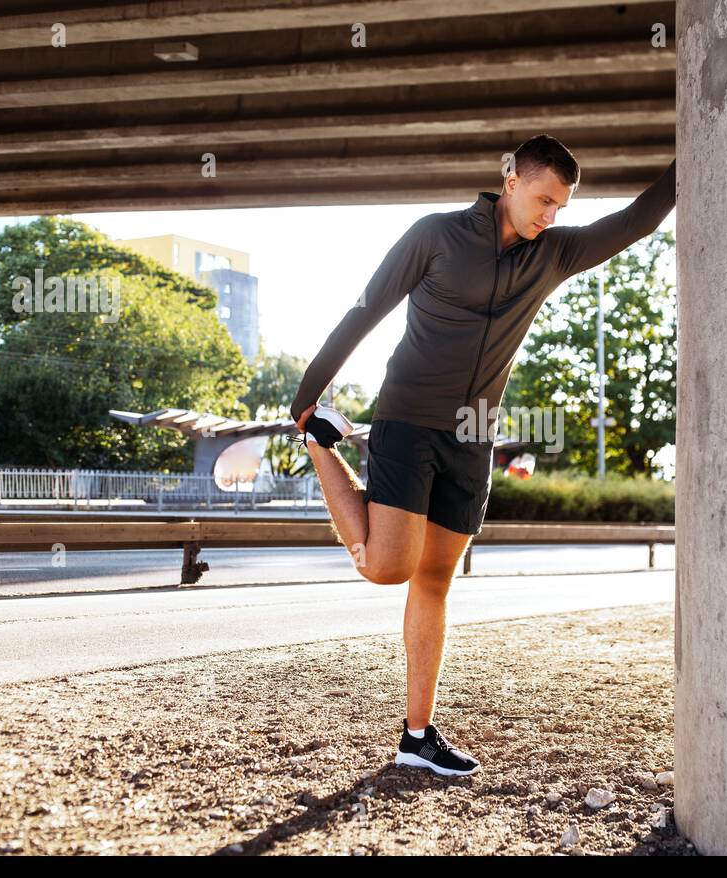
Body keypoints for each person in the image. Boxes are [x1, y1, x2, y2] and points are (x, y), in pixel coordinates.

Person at [288, 134, 676, 775]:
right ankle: (320, 444)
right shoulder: (435, 235)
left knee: (435, 581)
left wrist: (692, 150)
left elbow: (638, 221)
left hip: (473, 438)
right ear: (511, 179)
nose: (550, 214)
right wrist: (309, 392)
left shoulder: (556, 254)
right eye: (544, 199)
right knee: (387, 567)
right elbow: (367, 308)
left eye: (561, 205)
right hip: (408, 418)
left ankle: (417, 736)